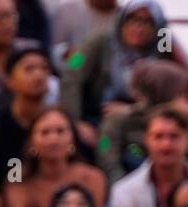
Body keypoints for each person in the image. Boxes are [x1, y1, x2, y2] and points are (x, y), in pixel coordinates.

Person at [4, 107, 107, 207]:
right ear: (31, 141)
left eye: (60, 131)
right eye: (44, 132)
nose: (53, 139)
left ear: (73, 138)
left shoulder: (92, 178)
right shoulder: (17, 185)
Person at [60, 0, 169, 144]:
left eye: (148, 22)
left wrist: (131, 110)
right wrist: (75, 123)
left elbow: (164, 100)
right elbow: (71, 74)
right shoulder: (96, 42)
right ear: (121, 19)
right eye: (133, 19)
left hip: (136, 124)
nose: (138, 27)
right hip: (91, 117)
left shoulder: (160, 54)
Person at [0, 41, 53, 186]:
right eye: (29, 69)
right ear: (9, 81)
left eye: (44, 68)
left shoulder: (58, 121)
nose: (39, 75)